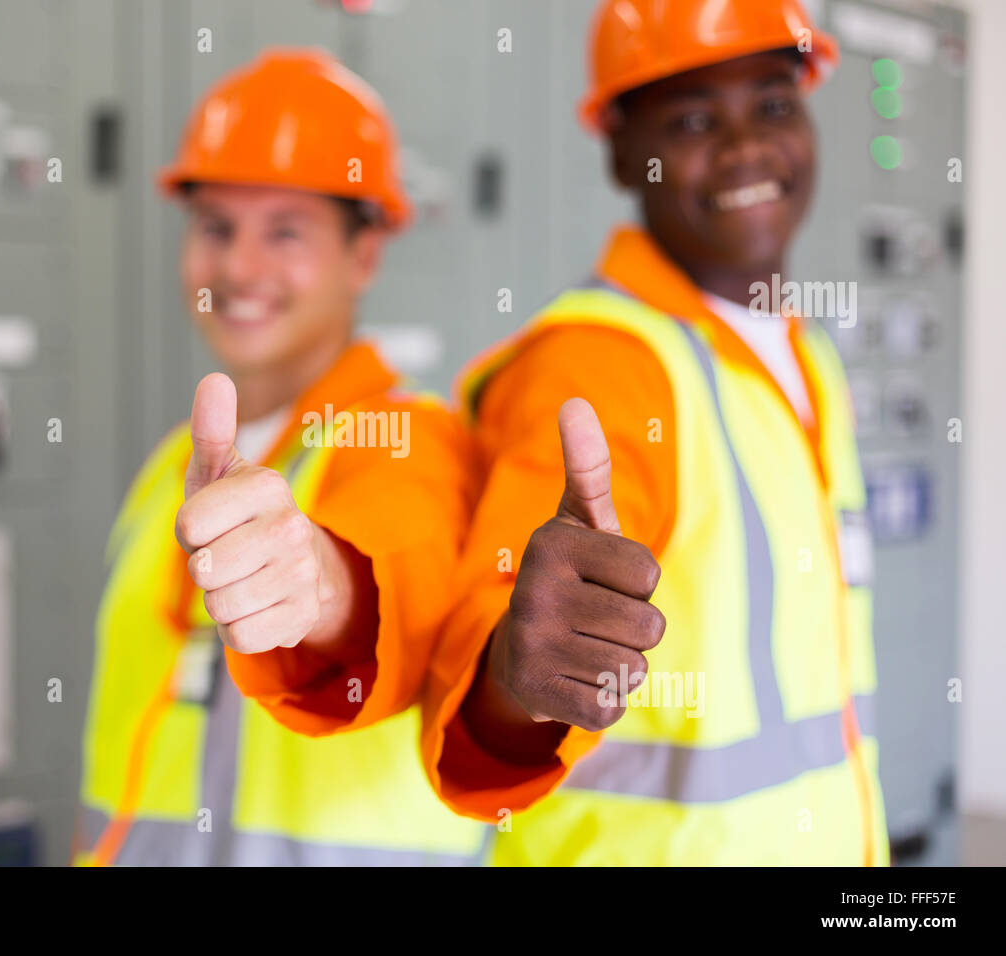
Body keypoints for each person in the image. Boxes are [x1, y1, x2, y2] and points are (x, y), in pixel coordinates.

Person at [421, 0, 888, 865]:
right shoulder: (602, 363)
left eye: (774, 104)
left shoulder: (802, 352)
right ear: (624, 153)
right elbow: (497, 648)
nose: (747, 146)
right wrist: (514, 680)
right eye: (694, 119)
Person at [74, 48, 484, 865]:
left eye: (285, 232)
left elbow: (388, 589)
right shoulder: (170, 468)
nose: (239, 267)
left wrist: (324, 590)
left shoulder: (405, 440)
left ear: (362, 257)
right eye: (216, 228)